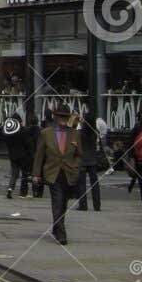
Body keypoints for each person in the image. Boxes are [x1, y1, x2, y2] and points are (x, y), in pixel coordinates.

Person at [32, 102, 81, 245]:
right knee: (57, 201)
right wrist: (36, 174)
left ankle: (56, 227)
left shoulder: (75, 134)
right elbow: (39, 155)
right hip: (52, 172)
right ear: (55, 117)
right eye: (60, 116)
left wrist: (76, 166)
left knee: (64, 203)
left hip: (69, 173)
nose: (63, 119)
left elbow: (79, 155)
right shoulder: (46, 133)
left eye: (65, 117)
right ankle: (61, 234)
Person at [74, 111, 104, 212]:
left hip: (82, 159)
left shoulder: (81, 132)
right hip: (93, 159)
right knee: (94, 184)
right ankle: (97, 205)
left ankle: (83, 205)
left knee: (81, 184)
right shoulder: (95, 132)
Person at [5, 111, 35, 199]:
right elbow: (28, 143)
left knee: (14, 174)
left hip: (13, 156)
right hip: (23, 156)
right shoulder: (22, 131)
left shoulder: (9, 132)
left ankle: (10, 188)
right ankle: (23, 192)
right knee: (24, 174)